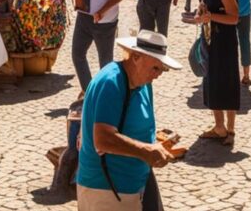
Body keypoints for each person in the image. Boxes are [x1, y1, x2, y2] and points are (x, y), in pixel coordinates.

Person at [77, 30, 180, 210]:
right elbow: (102, 139)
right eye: (155, 68)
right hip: (106, 189)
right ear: (135, 57)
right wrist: (146, 150)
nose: (158, 74)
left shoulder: (144, 84)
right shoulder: (111, 82)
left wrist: (155, 143)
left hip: (136, 183)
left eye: (162, 69)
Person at [193, 0, 241, 146]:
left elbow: (234, 17)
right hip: (212, 40)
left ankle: (230, 129)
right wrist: (200, 13)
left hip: (224, 42)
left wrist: (209, 16)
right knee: (212, 82)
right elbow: (206, 9)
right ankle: (218, 127)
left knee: (227, 83)